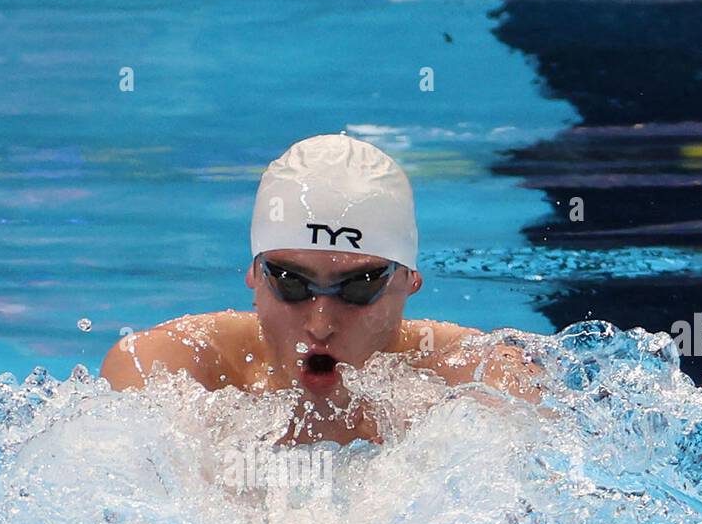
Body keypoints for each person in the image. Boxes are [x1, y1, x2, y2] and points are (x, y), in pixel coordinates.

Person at [100, 133, 546, 445]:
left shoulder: (480, 377)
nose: (320, 323)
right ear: (254, 276)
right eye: (292, 283)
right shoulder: (170, 367)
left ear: (410, 282)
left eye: (359, 287)